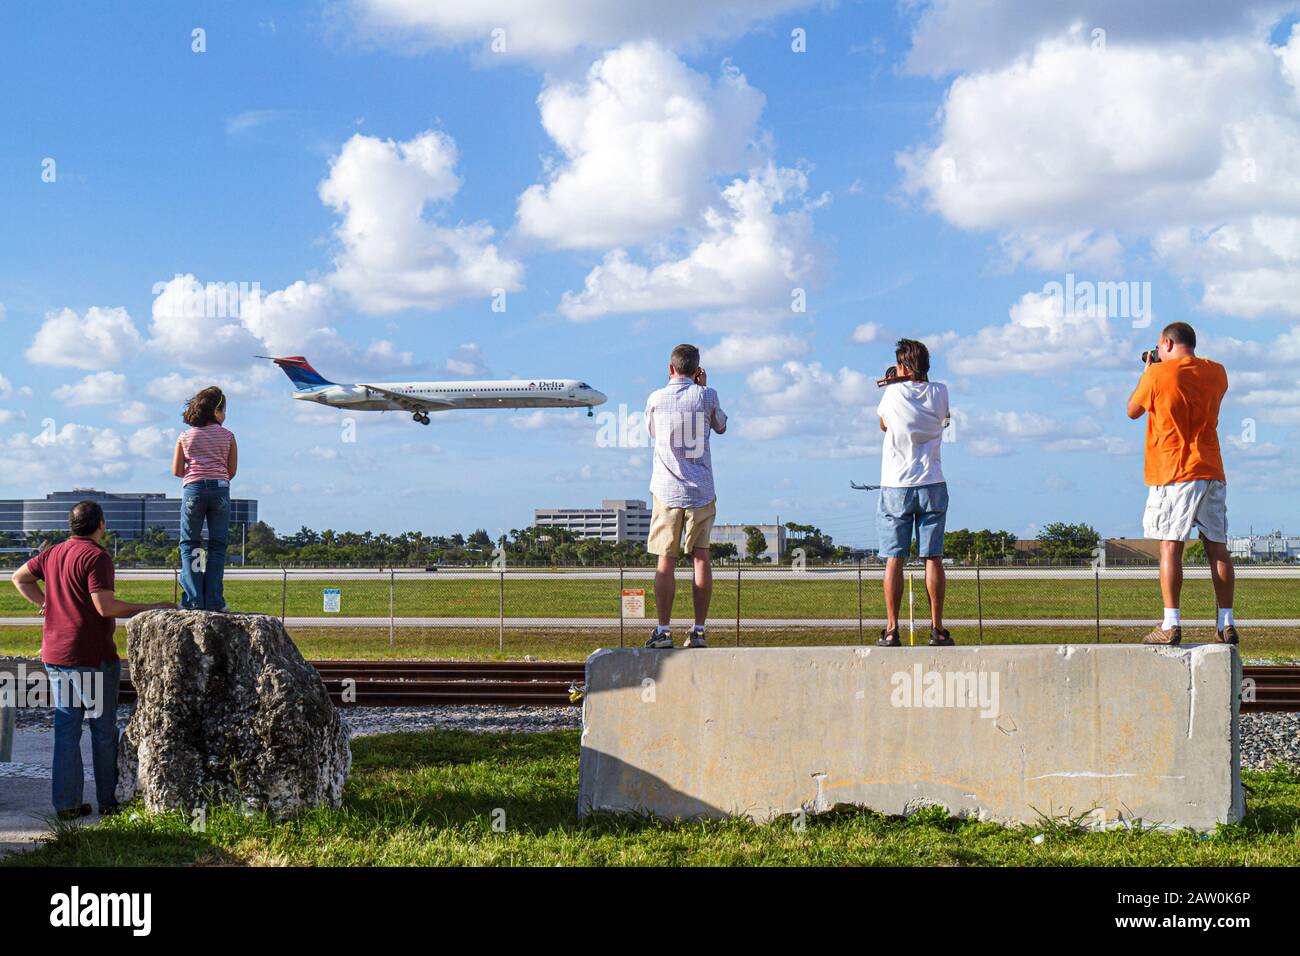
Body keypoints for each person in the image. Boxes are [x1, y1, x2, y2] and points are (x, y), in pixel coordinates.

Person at [9, 501, 171, 819]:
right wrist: (155, 606)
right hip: (90, 657)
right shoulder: (96, 556)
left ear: (71, 525)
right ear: (101, 524)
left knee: (66, 729)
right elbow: (105, 607)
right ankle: (109, 801)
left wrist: (46, 604)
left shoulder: (53, 553)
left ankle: (67, 804)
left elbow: (19, 577)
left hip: (56, 655)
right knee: (102, 731)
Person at [1126, 321, 1236, 645]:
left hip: (1174, 472)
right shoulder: (1218, 372)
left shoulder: (1157, 375)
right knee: (1217, 547)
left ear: (1166, 344)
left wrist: (1149, 371)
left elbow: (1132, 410)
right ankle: (1225, 622)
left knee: (1170, 547)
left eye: (1160, 347)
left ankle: (1170, 624)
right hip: (1212, 469)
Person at [643, 344, 728, 649]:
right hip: (701, 490)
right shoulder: (707, 395)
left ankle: (663, 630)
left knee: (665, 560)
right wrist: (702, 388)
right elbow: (721, 426)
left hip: (666, 490)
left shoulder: (656, 398)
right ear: (697, 369)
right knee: (701, 558)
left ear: (671, 368)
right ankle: (699, 630)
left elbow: (653, 432)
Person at [876, 338, 953, 646]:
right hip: (932, 479)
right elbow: (944, 422)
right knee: (932, 557)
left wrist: (893, 383)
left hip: (896, 483)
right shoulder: (941, 392)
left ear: (902, 365)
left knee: (894, 558)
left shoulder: (891, 393)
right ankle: (937, 628)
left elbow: (884, 425)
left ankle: (892, 628)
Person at [172, 386, 238, 611]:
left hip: (194, 490)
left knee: (190, 544)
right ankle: (215, 601)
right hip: (220, 489)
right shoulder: (228, 436)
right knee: (217, 546)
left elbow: (177, 470)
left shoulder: (185, 436)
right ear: (217, 411)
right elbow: (231, 470)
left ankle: (193, 601)